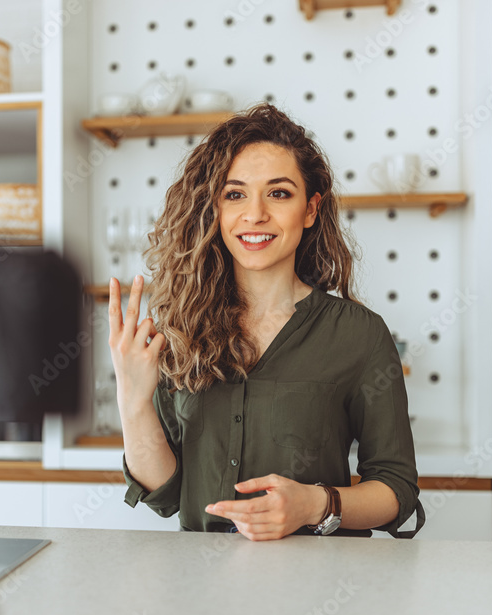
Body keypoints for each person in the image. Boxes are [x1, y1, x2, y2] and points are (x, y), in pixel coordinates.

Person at [109, 103, 423, 540]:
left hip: (319, 592)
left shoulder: (359, 335)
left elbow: (397, 490)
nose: (254, 214)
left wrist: (315, 504)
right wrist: (132, 398)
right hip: (199, 590)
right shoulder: (178, 331)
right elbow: (165, 494)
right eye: (234, 194)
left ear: (310, 209)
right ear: (214, 209)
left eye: (278, 193)